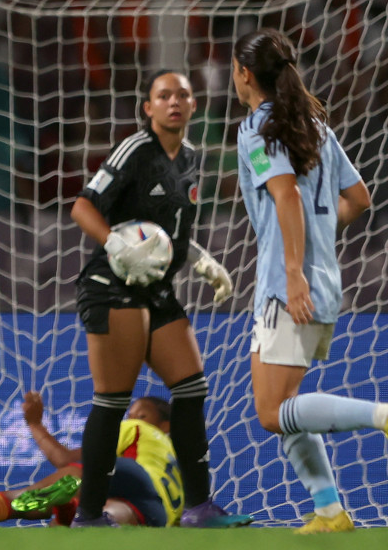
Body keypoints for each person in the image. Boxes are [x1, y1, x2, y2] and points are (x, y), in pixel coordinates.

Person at [70, 70, 249, 528]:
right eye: (163, 95)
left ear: (194, 106)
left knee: (191, 388)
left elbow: (176, 237)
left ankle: (199, 509)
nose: (174, 102)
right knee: (113, 400)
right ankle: (89, 516)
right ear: (147, 108)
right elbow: (82, 206)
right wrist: (113, 241)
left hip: (159, 289)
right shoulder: (135, 150)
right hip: (112, 286)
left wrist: (205, 261)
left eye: (183, 95)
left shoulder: (190, 157)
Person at [231, 28, 382, 534]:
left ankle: (381, 414)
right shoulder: (312, 122)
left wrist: (294, 273)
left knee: (273, 413)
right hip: (322, 280)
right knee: (284, 407)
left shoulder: (259, 126)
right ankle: (329, 509)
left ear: (244, 74)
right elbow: (358, 198)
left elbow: (287, 196)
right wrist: (317, 239)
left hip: (287, 284)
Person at [0, 392, 182, 528]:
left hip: (130, 474)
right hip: (156, 514)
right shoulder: (181, 466)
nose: (133, 418)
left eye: (141, 414)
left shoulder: (135, 430)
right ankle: (69, 510)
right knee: (102, 521)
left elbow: (65, 458)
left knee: (27, 497)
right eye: (132, 415)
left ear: (164, 424)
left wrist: (35, 423)